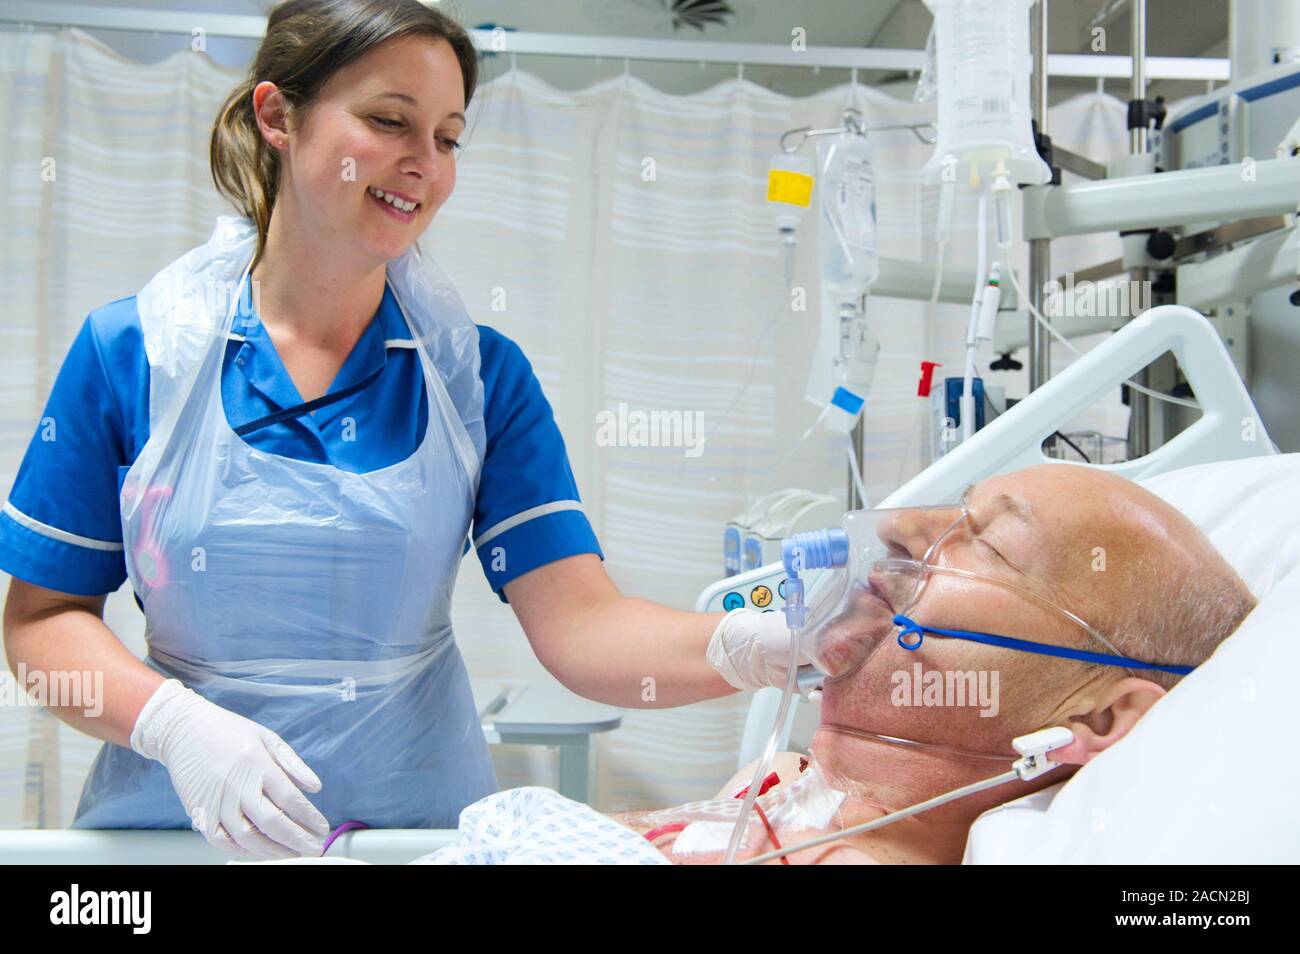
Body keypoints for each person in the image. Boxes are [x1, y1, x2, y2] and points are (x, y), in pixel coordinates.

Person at [0, 0, 792, 860]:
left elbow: (582, 627)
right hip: (180, 833)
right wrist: (174, 724)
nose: (425, 165)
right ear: (276, 115)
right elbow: (40, 626)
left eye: (448, 138)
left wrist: (752, 646)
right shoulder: (138, 352)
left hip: (413, 837)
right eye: (389, 121)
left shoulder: (478, 377)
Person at [411, 463, 1257, 864]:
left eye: (990, 541)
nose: (903, 531)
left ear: (1100, 717)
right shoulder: (786, 778)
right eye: (948, 510)